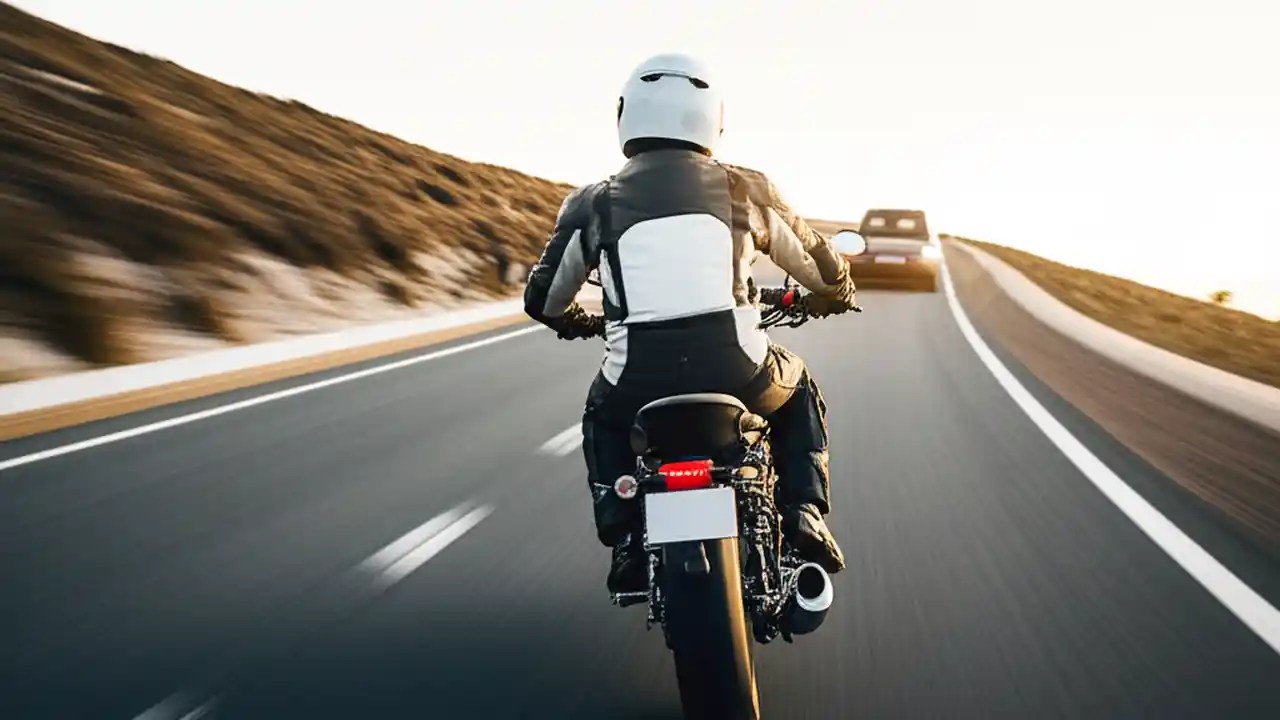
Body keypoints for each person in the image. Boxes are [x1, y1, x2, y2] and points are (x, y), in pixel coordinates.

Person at [523, 53, 857, 596]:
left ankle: (625, 535)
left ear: (627, 115)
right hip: (740, 372)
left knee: (601, 416)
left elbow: (543, 299)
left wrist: (579, 321)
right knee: (799, 391)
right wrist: (836, 293)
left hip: (636, 383)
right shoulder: (745, 188)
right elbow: (821, 267)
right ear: (713, 119)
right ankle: (804, 510)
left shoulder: (593, 203)